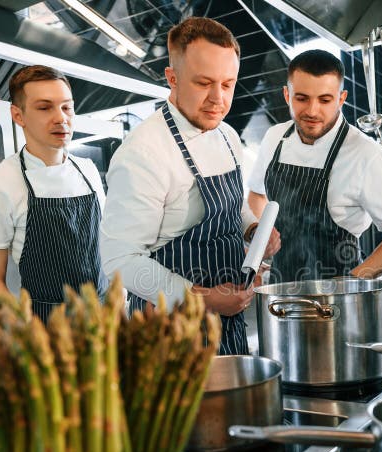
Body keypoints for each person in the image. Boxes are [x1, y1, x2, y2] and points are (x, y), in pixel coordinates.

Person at [100, 17, 279, 355]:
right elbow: (119, 261)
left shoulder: (227, 136)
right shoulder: (142, 153)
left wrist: (252, 230)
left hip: (228, 322)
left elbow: (235, 205)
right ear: (173, 78)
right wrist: (203, 299)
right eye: (203, 83)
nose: (218, 98)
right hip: (169, 331)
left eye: (228, 84)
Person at [247, 50, 382, 283]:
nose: (312, 111)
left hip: (339, 307)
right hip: (279, 296)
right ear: (287, 95)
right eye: (302, 98)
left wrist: (351, 284)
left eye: (325, 100)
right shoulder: (274, 138)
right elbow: (257, 196)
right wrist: (262, 237)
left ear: (341, 98)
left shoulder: (366, 155)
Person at [0, 65, 107, 321]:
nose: (61, 118)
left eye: (67, 107)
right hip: (43, 326)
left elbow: (105, 245)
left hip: (104, 319)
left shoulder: (88, 172)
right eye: (45, 108)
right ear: (18, 115)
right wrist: (30, 331)